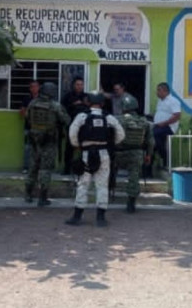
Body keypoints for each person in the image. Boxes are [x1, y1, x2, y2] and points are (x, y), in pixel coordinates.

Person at [65, 91, 125, 227]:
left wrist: (77, 145)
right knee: (102, 185)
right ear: (102, 103)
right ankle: (101, 218)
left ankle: (77, 216)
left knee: (83, 184)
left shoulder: (82, 116)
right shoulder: (109, 117)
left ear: (88, 102)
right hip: (104, 154)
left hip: (86, 153)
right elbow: (121, 134)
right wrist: (111, 143)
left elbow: (72, 133)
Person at [25, 82, 70, 206]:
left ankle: (28, 195)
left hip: (34, 139)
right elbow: (66, 120)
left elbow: (28, 118)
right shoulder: (55, 106)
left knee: (33, 168)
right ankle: (42, 198)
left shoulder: (32, 103)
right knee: (45, 169)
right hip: (49, 141)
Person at [114, 95, 155, 213]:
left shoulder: (118, 120)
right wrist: (149, 155)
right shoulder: (145, 122)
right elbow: (151, 142)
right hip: (137, 153)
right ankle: (131, 203)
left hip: (118, 153)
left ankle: (106, 196)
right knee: (134, 177)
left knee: (110, 173)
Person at [60, 77, 89, 175]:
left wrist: (83, 103)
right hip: (71, 125)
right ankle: (67, 169)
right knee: (69, 148)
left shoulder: (86, 97)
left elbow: (92, 108)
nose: (79, 86)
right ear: (73, 85)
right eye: (77, 84)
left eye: (81, 84)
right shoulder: (68, 96)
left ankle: (84, 169)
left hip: (84, 127)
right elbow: (62, 110)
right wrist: (73, 104)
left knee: (85, 148)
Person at [152, 83, 182, 171]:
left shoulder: (173, 101)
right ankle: (156, 163)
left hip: (168, 127)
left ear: (165, 91)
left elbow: (177, 116)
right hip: (159, 126)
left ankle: (165, 160)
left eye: (159, 90)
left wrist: (164, 123)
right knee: (152, 142)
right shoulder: (160, 101)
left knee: (155, 135)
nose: (157, 92)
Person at [19, 80, 40, 174]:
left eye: (36, 86)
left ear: (39, 88)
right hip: (29, 127)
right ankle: (26, 167)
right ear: (30, 88)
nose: (34, 88)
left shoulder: (42, 99)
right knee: (27, 148)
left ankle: (38, 168)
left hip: (41, 128)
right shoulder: (26, 98)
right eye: (32, 86)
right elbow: (22, 112)